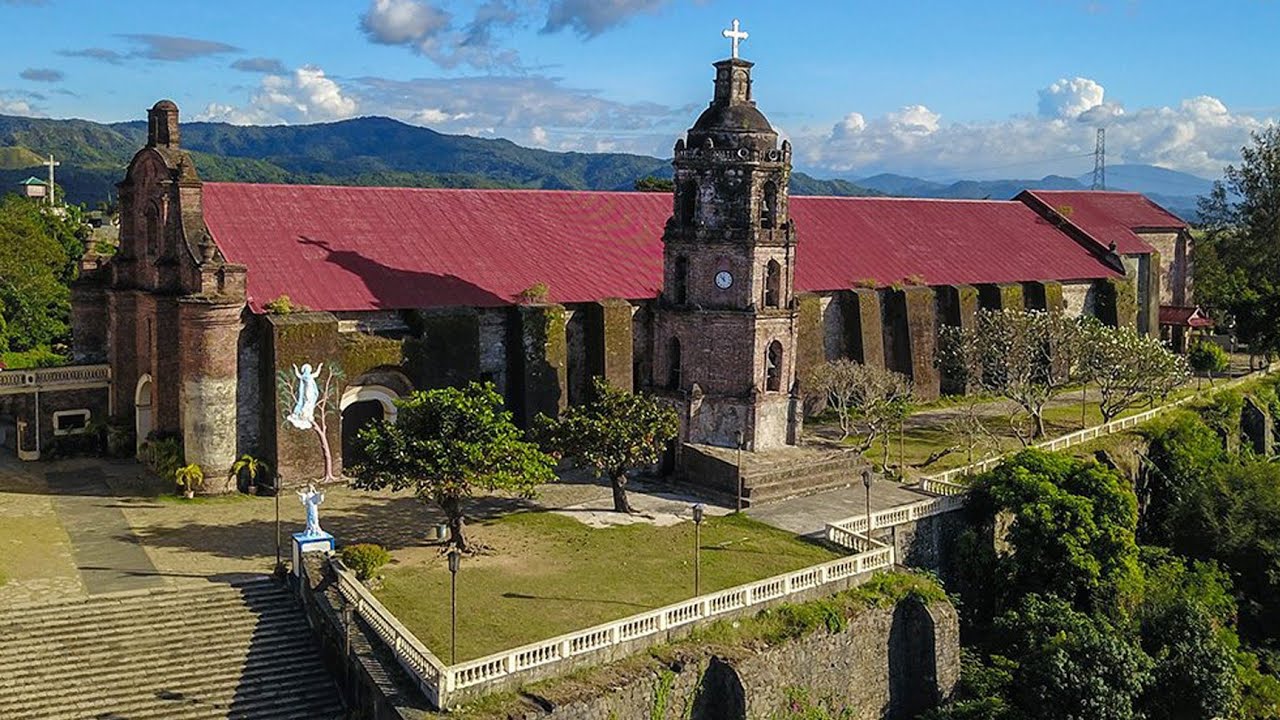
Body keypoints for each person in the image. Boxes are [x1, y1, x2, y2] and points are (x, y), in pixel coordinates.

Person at [287, 363, 323, 430]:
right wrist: (295, 368)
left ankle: (307, 414)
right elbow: (298, 375)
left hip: (311, 391)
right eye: (306, 369)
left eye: (308, 369)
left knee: (310, 401)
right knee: (306, 401)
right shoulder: (303, 377)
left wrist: (320, 366)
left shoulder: (311, 376)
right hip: (305, 391)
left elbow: (317, 373)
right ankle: (301, 414)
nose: (307, 370)